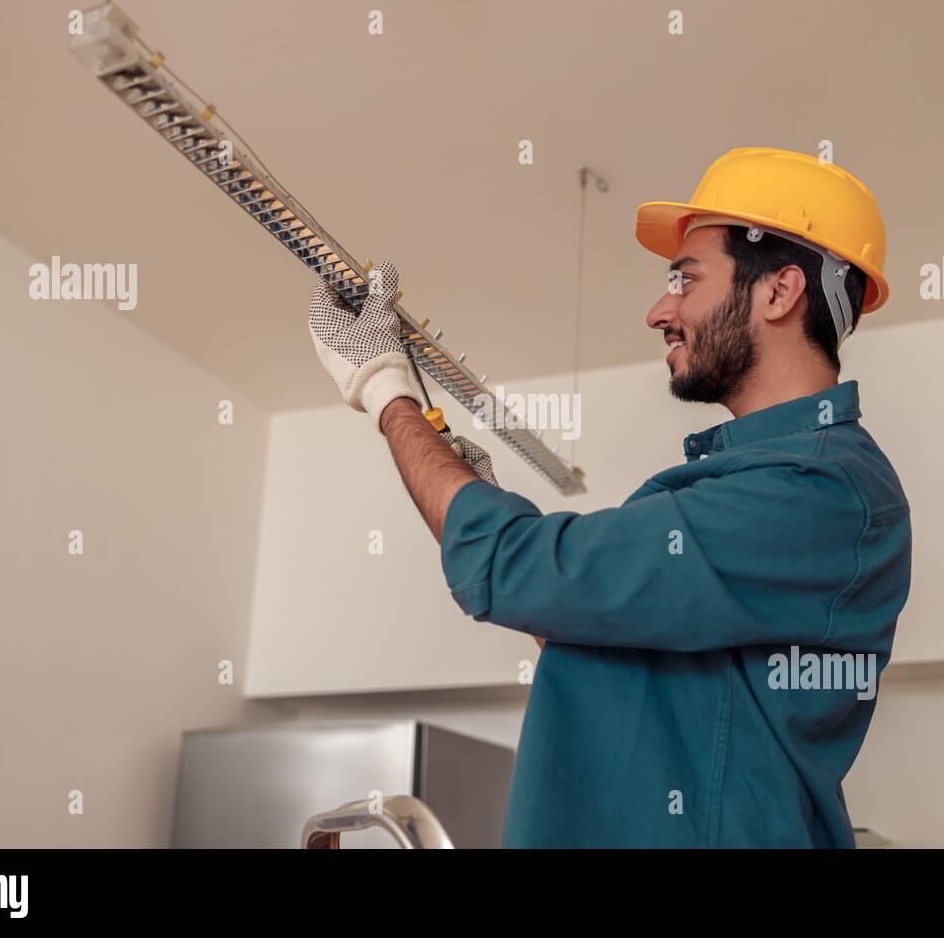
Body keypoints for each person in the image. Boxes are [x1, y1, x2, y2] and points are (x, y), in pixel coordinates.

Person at [308, 147, 912, 848]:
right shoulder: (757, 486)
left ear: (778, 293)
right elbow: (566, 612)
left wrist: (386, 391)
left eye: (685, 280)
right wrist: (453, 459)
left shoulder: (815, 490)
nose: (660, 309)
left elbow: (519, 570)